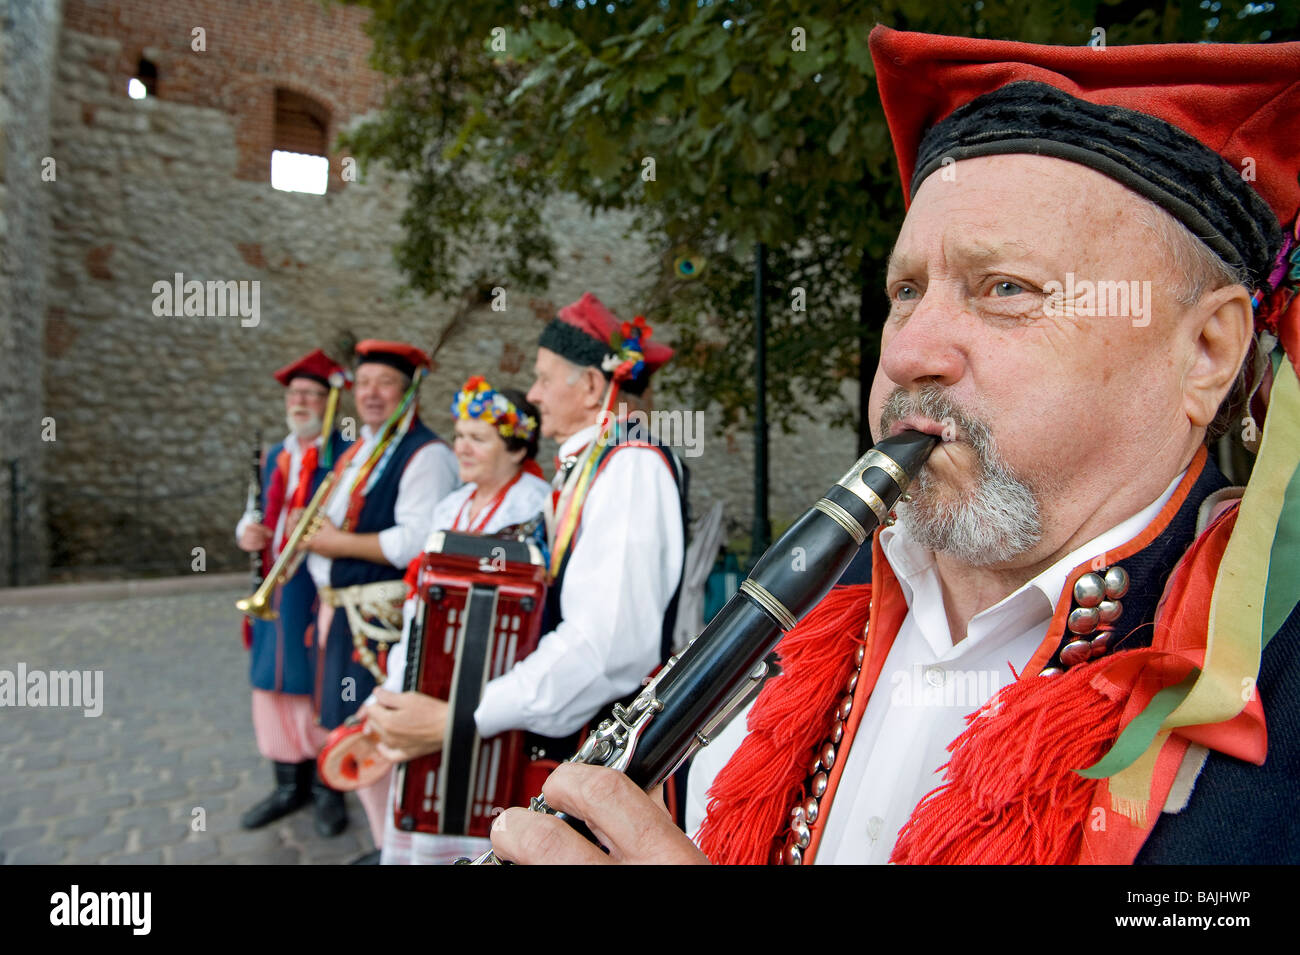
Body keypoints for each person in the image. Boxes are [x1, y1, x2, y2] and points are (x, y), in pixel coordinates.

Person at [487, 27, 1300, 865]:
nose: (908, 352)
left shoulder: (1280, 674)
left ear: (1204, 352)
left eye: (1006, 289)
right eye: (905, 291)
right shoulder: (803, 602)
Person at [357, 375, 551, 863]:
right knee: (418, 797)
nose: (460, 447)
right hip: (432, 667)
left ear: (515, 446)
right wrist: (397, 682)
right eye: (459, 435)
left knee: (473, 794)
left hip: (489, 678)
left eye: (477, 438)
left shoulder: (535, 506)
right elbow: (418, 600)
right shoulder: (452, 505)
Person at [303, 339, 459, 840]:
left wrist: (334, 542)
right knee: (349, 727)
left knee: (379, 736)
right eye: (363, 383)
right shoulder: (360, 448)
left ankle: (398, 844)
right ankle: (382, 839)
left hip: (379, 624)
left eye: (385, 384)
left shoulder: (427, 454)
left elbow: (415, 541)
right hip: (341, 615)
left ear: (408, 392)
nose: (371, 394)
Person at [234, 349, 352, 836]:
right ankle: (289, 785)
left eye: (312, 395)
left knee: (320, 684)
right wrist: (247, 533)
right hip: (272, 586)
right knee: (271, 683)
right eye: (295, 394)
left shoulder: (343, 456)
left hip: (317, 588)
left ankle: (329, 790)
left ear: (329, 404)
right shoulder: (274, 455)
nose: (300, 401)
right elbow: (251, 512)